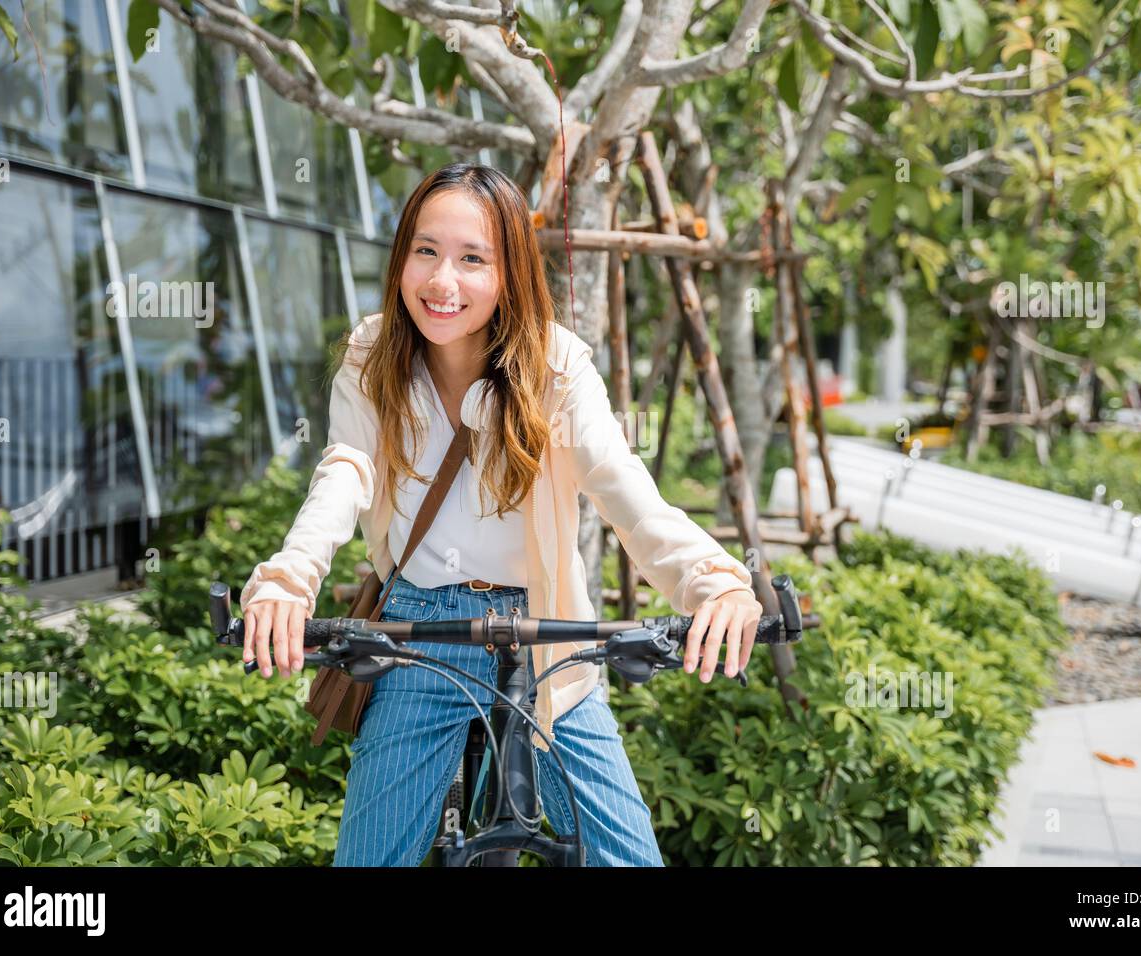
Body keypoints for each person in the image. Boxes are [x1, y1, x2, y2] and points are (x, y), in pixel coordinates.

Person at [239, 162, 763, 867]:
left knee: (628, 856)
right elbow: (347, 469)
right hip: (421, 628)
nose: (441, 281)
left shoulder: (556, 366)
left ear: (510, 273)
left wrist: (713, 581)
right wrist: (287, 580)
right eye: (425, 250)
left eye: (472, 259)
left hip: (545, 631)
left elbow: (619, 482)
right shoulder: (373, 352)